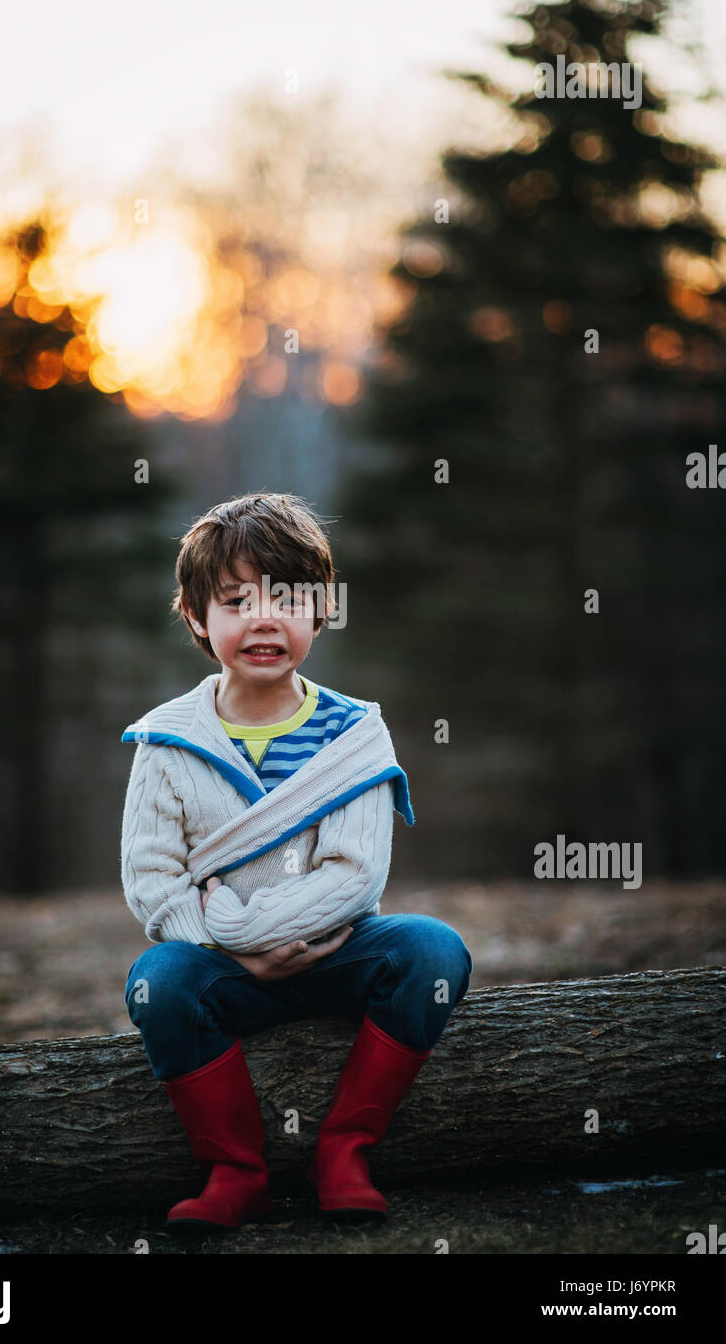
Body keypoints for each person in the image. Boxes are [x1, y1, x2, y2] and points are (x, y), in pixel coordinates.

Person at [121, 491, 472, 1233]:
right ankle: (234, 1171)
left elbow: (354, 877)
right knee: (157, 980)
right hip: (223, 971)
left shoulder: (354, 735)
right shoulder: (165, 742)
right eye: (236, 600)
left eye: (288, 598)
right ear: (194, 616)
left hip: (338, 952)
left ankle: (343, 1151)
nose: (264, 618)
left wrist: (243, 924)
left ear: (321, 612)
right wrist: (236, 953)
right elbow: (152, 883)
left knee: (432, 950)